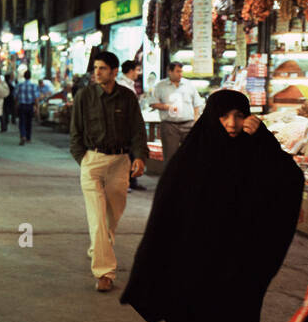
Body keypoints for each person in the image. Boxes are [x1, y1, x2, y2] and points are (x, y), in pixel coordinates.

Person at [121, 91, 304, 322]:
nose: (233, 124)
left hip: (237, 283)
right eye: (225, 116)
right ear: (211, 117)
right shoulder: (188, 164)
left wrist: (266, 138)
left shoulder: (255, 156)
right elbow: (162, 226)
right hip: (190, 282)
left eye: (240, 116)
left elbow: (290, 181)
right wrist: (152, 276)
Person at [69, 51, 148, 292]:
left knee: (113, 215)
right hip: (92, 161)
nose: (97, 72)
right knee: (97, 218)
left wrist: (140, 157)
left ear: (114, 72)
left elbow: (137, 129)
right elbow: (75, 133)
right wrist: (84, 160)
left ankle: (98, 246)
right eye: (95, 68)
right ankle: (105, 273)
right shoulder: (84, 96)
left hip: (120, 162)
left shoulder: (127, 97)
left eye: (102, 68)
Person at [150, 62, 206, 161]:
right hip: (169, 126)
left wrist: (195, 120)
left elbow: (197, 103)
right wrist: (167, 106)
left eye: (181, 71)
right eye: (177, 71)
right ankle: (171, 176)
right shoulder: (160, 86)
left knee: (192, 154)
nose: (180, 74)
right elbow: (153, 103)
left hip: (188, 124)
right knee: (171, 157)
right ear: (169, 72)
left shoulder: (188, 84)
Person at [119, 60, 146, 190]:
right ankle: (126, 182)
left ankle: (132, 180)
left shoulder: (130, 84)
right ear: (130, 71)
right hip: (124, 124)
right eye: (137, 70)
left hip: (131, 123)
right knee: (126, 153)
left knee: (132, 152)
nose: (138, 73)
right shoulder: (121, 84)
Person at [13, 69, 39, 144]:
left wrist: (15, 105)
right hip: (30, 106)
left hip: (22, 106)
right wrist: (37, 108)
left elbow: (15, 96)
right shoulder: (34, 86)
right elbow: (36, 98)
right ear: (30, 77)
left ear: (24, 76)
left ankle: (23, 135)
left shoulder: (19, 85)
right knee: (29, 122)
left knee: (22, 122)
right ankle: (28, 138)